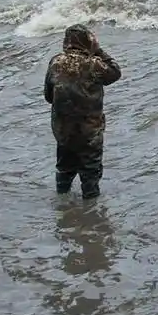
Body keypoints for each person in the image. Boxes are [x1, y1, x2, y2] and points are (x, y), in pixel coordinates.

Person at [43, 24, 122, 199]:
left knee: (64, 168)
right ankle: (90, 208)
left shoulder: (56, 62)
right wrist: (98, 50)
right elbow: (115, 72)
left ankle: (62, 203)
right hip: (89, 131)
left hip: (63, 130)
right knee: (90, 172)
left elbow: (48, 96)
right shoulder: (94, 64)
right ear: (87, 41)